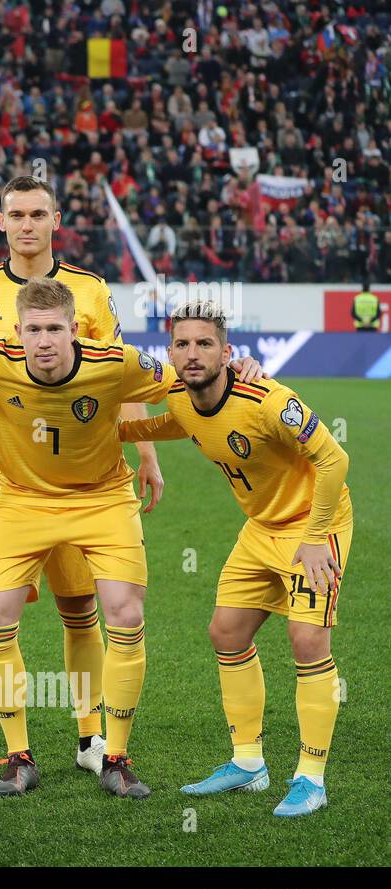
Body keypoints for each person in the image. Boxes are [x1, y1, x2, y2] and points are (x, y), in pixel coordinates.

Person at [0, 175, 157, 777]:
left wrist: (148, 452)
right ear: (0, 222)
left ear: (55, 220)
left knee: (80, 605)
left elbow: (123, 376)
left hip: (87, 471)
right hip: (0, 471)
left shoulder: (87, 290)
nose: (27, 224)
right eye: (16, 214)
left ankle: (91, 737)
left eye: (38, 213)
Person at [119, 301, 351, 818]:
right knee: (226, 632)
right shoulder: (179, 395)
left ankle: (311, 778)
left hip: (316, 526)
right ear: (170, 351)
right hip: (261, 529)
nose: (192, 353)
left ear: (228, 352)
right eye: (182, 344)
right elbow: (179, 424)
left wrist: (315, 537)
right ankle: (249, 763)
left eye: (204, 344)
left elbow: (335, 459)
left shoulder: (268, 399)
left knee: (307, 640)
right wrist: (119, 433)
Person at [0, 277, 174, 799]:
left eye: (55, 329)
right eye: (34, 329)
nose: (44, 340)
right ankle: (18, 756)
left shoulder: (115, 361)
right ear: (17, 331)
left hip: (103, 499)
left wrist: (241, 371)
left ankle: (114, 756)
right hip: (22, 500)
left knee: (124, 613)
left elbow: (184, 379)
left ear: (75, 330)